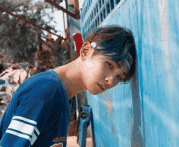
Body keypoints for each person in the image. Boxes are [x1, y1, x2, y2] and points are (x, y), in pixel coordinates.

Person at [0, 25, 137, 147]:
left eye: (119, 77)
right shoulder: (45, 91)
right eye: (109, 65)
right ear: (86, 51)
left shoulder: (62, 97)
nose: (111, 81)